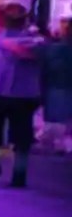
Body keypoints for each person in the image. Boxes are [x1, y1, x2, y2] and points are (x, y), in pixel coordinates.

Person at [0, 3, 45, 187]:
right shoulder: (35, 41)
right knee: (17, 135)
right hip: (19, 94)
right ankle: (15, 174)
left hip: (2, 93)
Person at [40, 19, 72, 154]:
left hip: (58, 85)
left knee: (57, 116)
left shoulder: (56, 49)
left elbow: (48, 67)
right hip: (62, 84)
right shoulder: (57, 48)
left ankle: (59, 142)